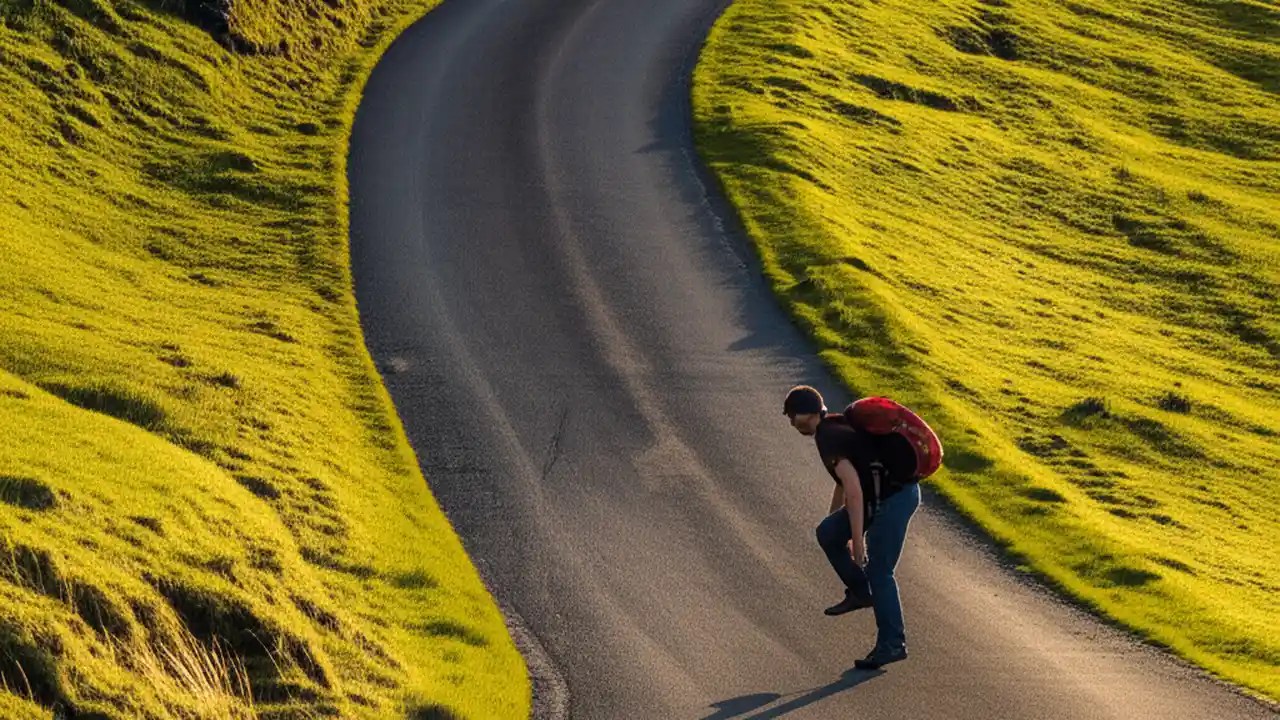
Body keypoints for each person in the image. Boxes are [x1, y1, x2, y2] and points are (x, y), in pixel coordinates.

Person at [783, 384, 922, 669]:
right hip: (881, 496)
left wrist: (857, 541)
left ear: (806, 414)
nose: (791, 423)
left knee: (879, 571)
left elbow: (855, 491)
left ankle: (892, 644)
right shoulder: (833, 426)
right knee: (828, 533)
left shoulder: (828, 437)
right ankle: (860, 592)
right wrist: (835, 523)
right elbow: (843, 482)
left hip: (893, 499)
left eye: (792, 416)